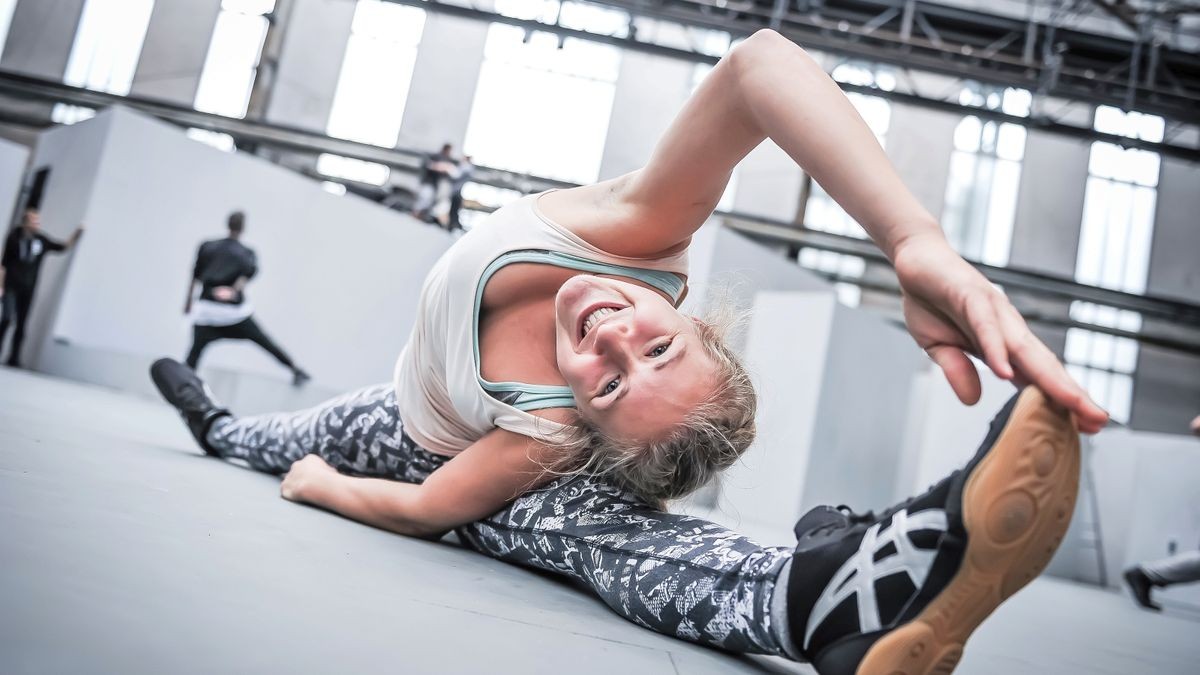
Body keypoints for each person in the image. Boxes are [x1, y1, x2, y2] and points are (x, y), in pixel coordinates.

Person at [151, 31, 1106, 674]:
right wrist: (911, 239)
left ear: (582, 421)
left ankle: (824, 592)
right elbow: (761, 66)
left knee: (577, 532)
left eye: (609, 381)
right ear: (695, 315)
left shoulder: (537, 439)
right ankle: (215, 417)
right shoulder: (638, 232)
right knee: (264, 436)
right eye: (657, 341)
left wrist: (322, 487)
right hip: (383, 411)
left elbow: (421, 506)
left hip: (451, 460)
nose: (611, 334)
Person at [184, 211, 309, 386]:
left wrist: (188, 302)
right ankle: (296, 370)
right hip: (233, 313)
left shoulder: (207, 246)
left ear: (227, 224)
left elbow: (195, 276)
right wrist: (232, 291)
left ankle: (183, 385)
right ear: (243, 228)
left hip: (207, 310)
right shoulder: (246, 253)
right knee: (264, 340)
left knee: (195, 352)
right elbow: (245, 277)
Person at [0, 208, 83, 367]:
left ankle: (14, 358)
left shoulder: (41, 240)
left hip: (28, 288)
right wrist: (1, 286)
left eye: (37, 221)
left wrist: (77, 233)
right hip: (11, 285)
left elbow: (62, 247)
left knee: (22, 323)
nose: (36, 224)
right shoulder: (14, 238)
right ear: (25, 222)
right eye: (33, 221)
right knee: (7, 318)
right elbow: (3, 264)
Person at [411, 143, 456, 222]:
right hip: (428, 182)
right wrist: (439, 167)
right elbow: (429, 165)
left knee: (428, 201)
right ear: (446, 149)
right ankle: (415, 214)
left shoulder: (446, 159)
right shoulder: (436, 156)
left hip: (435, 184)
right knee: (424, 198)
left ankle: (418, 215)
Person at [442, 154, 474, 231]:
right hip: (457, 192)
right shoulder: (468, 168)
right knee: (454, 210)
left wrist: (449, 168)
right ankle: (453, 227)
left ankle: (454, 227)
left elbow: (456, 175)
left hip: (456, 192)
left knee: (453, 211)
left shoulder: (466, 167)